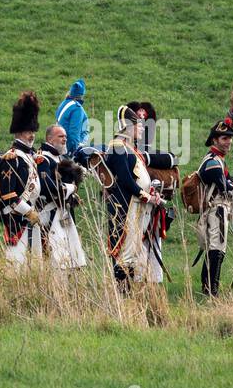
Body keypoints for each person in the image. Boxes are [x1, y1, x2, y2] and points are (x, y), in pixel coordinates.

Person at [103, 103, 175, 292]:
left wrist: (151, 193)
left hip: (136, 206)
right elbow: (126, 180)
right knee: (125, 254)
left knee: (133, 253)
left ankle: (126, 296)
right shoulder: (117, 147)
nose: (142, 128)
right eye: (138, 125)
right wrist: (146, 197)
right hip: (126, 207)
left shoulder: (128, 148)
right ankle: (122, 297)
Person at [0, 92, 43, 266]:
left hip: (32, 214)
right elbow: (8, 195)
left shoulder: (30, 155)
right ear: (18, 132)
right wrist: (28, 211)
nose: (32, 135)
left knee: (35, 264)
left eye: (33, 131)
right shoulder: (12, 157)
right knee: (16, 264)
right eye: (28, 132)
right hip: (17, 218)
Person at [196, 119, 233, 296]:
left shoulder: (216, 159)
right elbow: (226, 188)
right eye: (223, 138)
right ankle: (212, 291)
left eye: (229, 138)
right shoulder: (213, 162)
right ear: (214, 140)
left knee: (214, 249)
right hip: (217, 209)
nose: (228, 141)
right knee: (217, 250)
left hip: (217, 209)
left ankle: (209, 288)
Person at [37, 123, 87, 269]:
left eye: (65, 136)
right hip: (50, 213)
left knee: (68, 255)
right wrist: (71, 188)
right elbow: (47, 187)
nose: (65, 139)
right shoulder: (43, 158)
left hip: (63, 212)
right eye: (60, 136)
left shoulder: (59, 158)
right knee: (55, 257)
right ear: (50, 139)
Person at [55, 79, 89, 153]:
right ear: (81, 95)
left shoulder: (63, 103)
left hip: (59, 146)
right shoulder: (77, 108)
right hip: (69, 149)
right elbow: (74, 133)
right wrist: (74, 152)